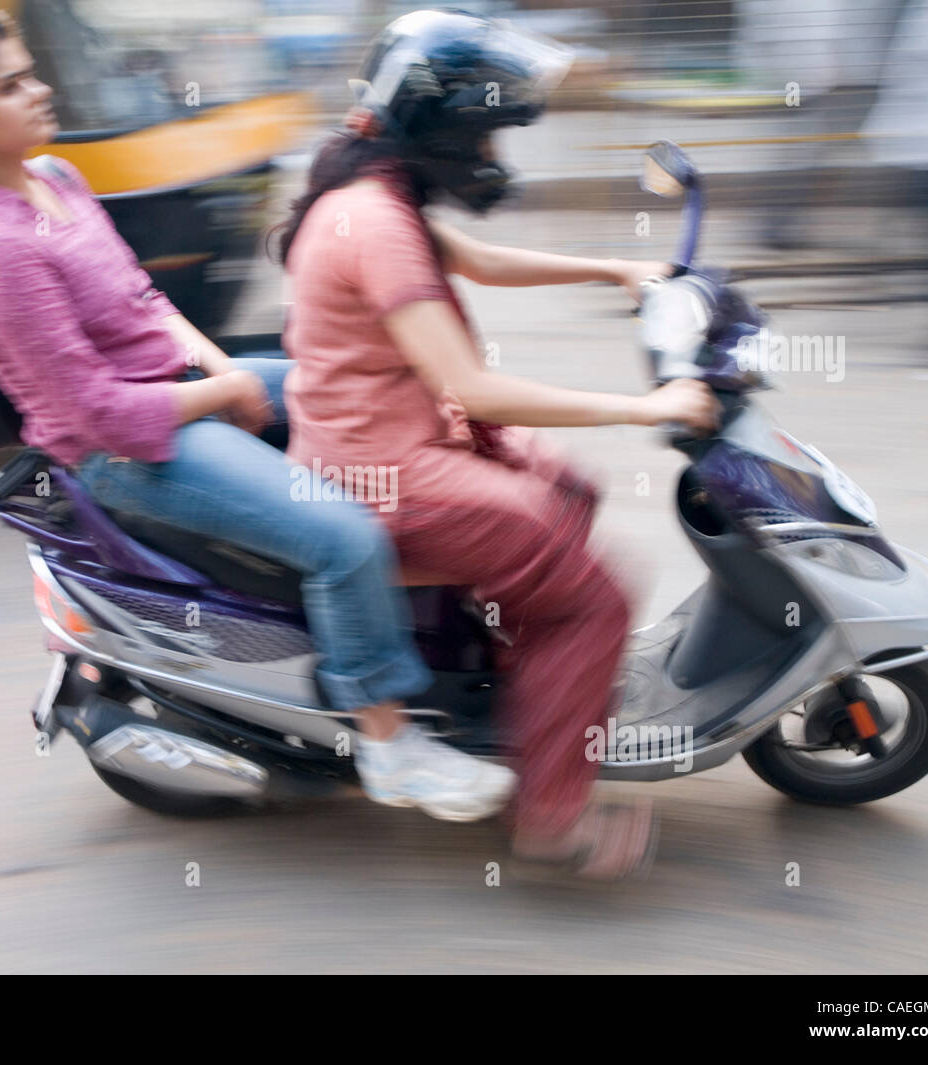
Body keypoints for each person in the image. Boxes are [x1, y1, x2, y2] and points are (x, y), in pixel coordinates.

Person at [0, 5, 516, 822]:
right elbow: (97, 411)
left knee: (416, 392)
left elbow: (143, 299)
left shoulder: (57, 179)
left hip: (183, 386)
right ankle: (390, 743)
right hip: (128, 449)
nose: (40, 92)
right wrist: (223, 395)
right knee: (345, 536)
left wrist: (221, 367)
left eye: (32, 72)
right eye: (12, 86)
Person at [274, 10, 721, 877]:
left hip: (384, 448)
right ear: (440, 128)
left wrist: (617, 269)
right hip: (384, 476)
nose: (495, 156)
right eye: (486, 135)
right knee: (597, 595)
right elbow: (471, 388)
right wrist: (645, 406)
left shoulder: (378, 194)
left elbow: (477, 260)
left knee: (572, 491)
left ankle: (525, 683)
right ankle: (552, 813)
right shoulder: (374, 219)